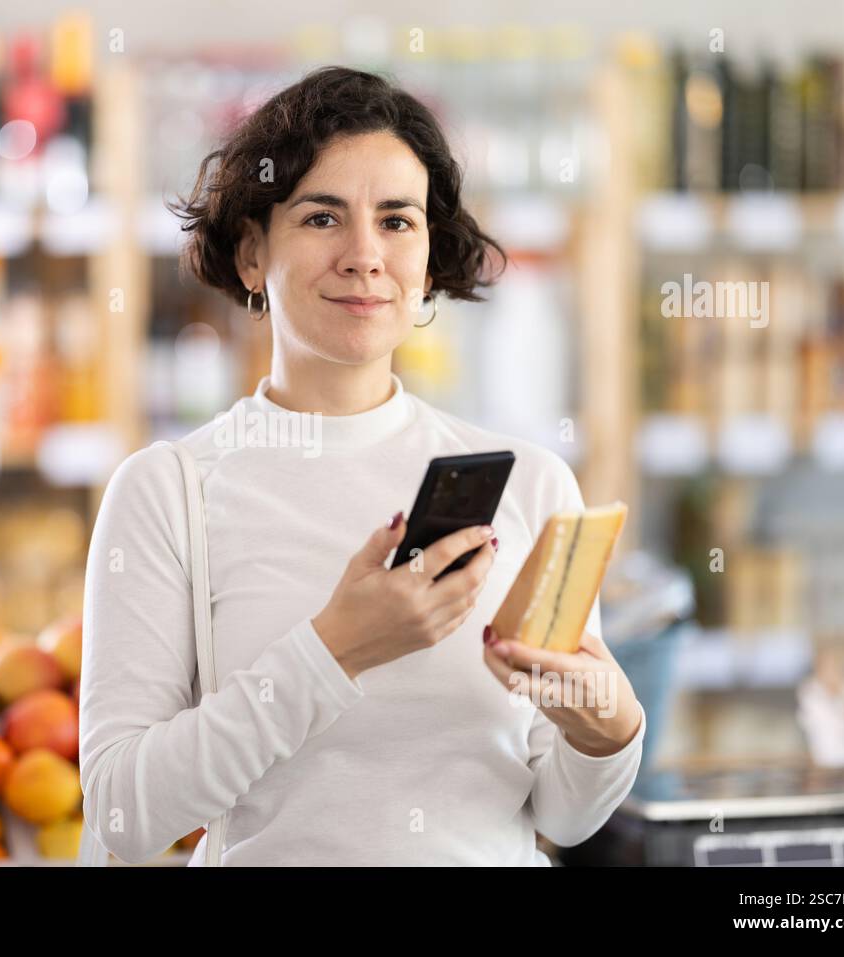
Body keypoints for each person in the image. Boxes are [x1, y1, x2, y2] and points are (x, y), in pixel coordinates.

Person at [79, 66, 645, 866]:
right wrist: (335, 648)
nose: (365, 255)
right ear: (251, 253)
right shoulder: (168, 491)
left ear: (429, 256)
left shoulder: (530, 480)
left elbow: (561, 812)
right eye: (321, 217)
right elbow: (119, 813)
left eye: (397, 220)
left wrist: (608, 727)